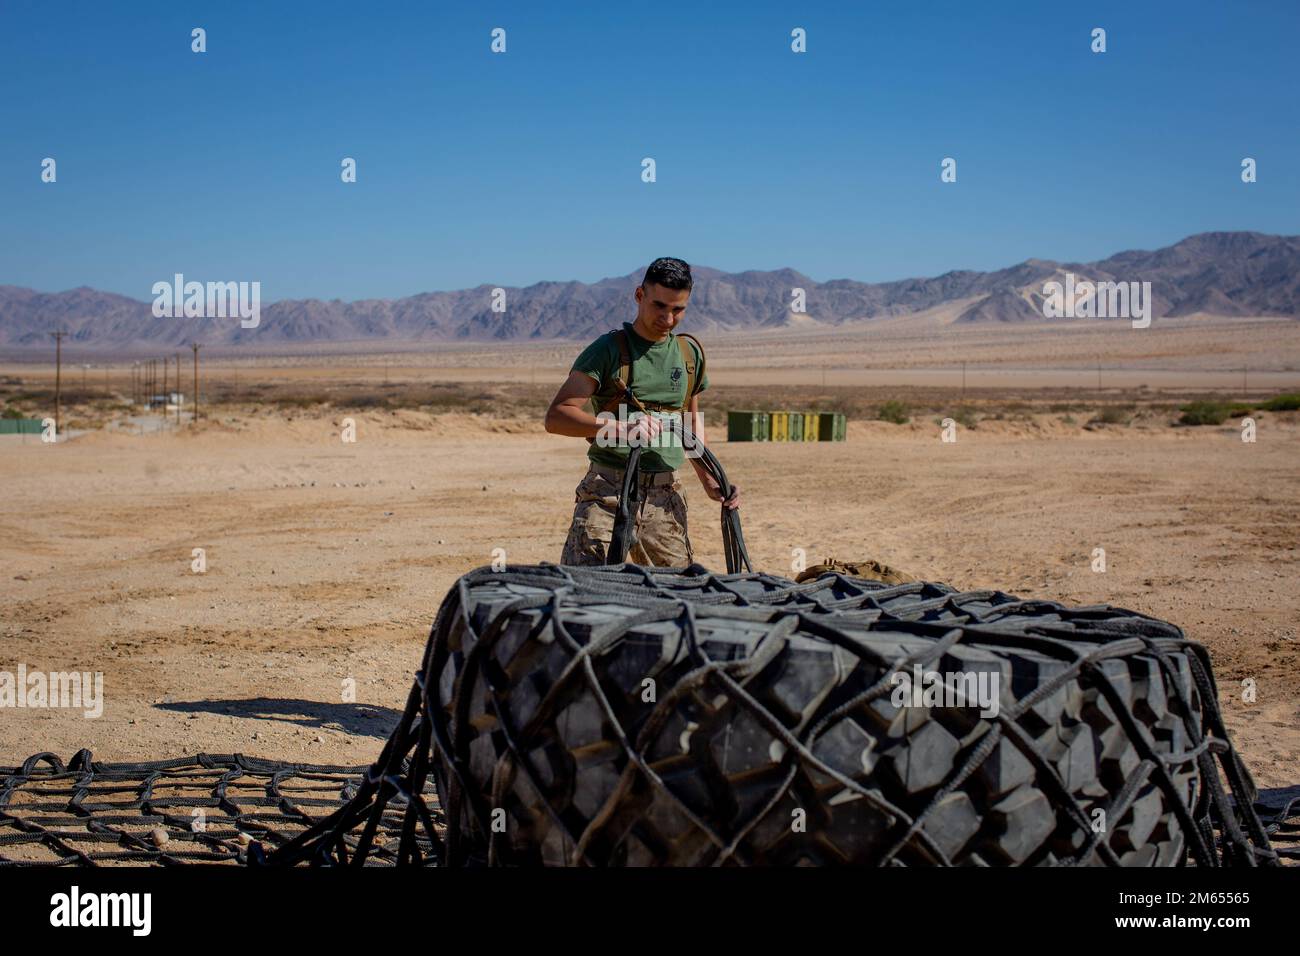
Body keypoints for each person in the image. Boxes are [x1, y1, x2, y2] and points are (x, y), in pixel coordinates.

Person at [544, 256, 740, 566]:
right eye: (660, 306)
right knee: (587, 595)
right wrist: (619, 429)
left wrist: (709, 477)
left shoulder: (689, 355)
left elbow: (689, 423)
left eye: (678, 309)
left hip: (665, 498)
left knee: (676, 598)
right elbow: (556, 417)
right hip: (607, 493)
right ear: (639, 295)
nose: (669, 319)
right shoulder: (607, 350)